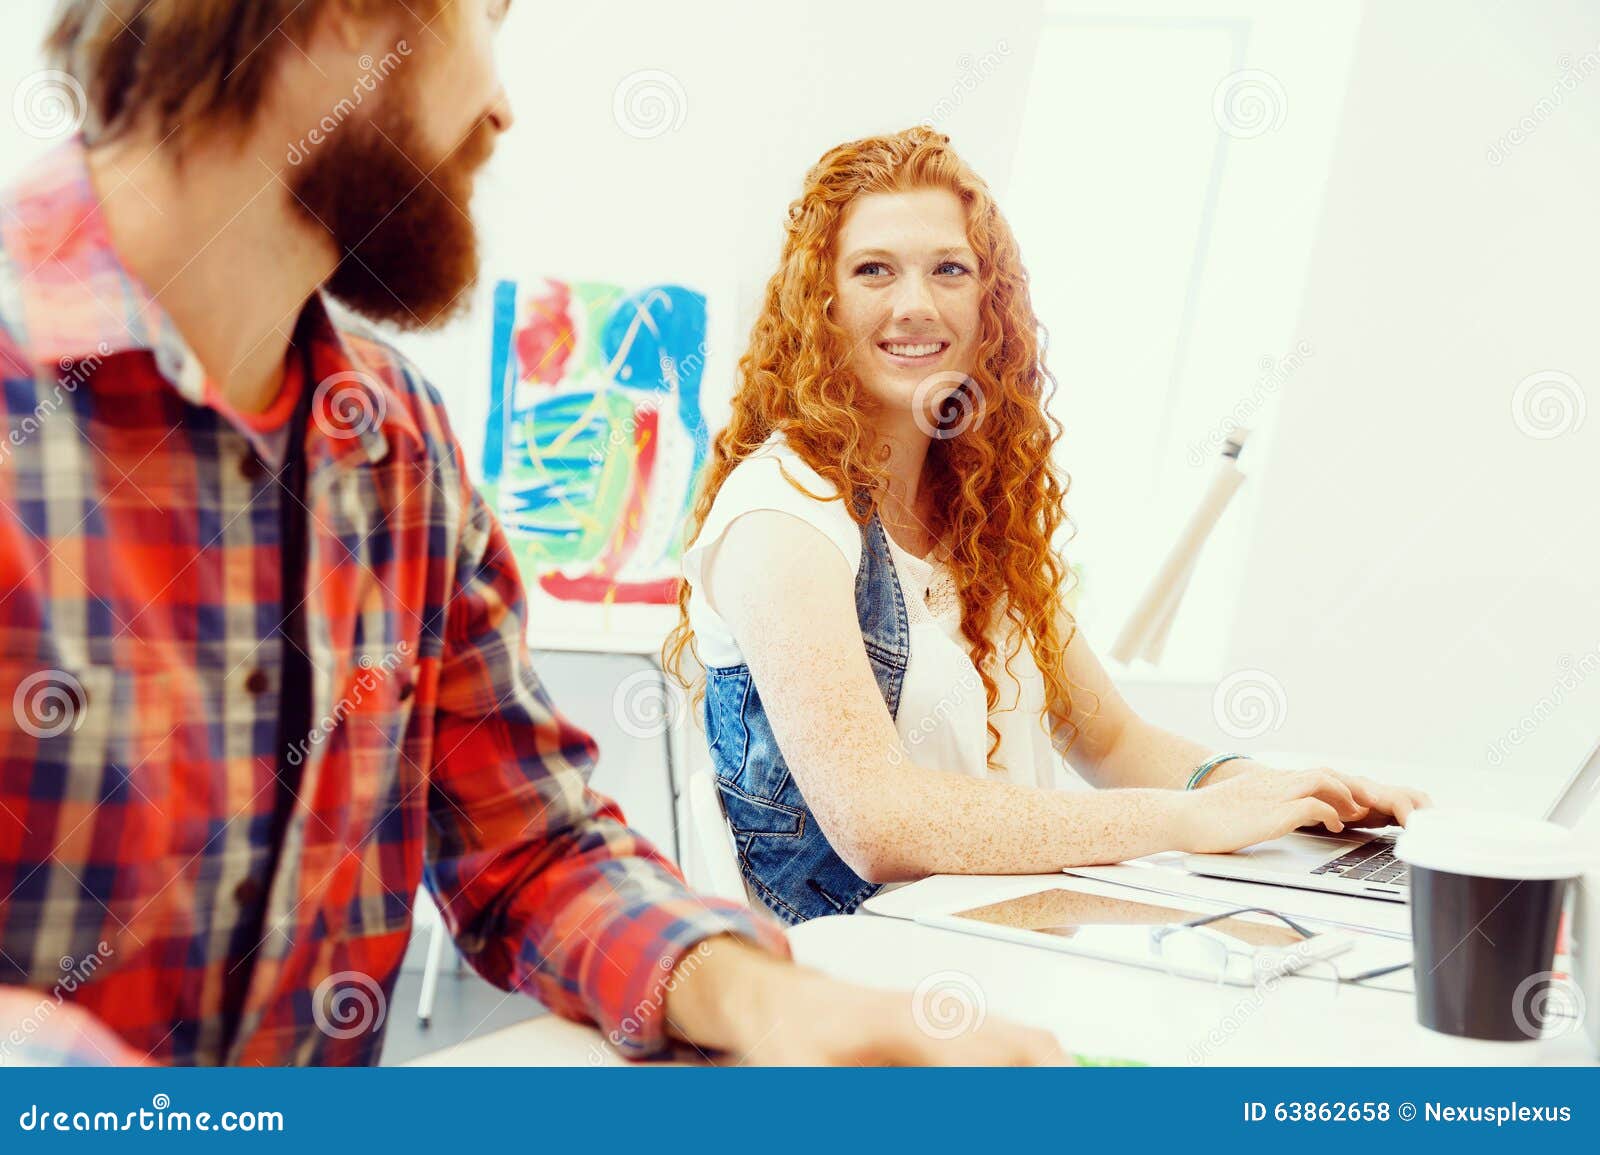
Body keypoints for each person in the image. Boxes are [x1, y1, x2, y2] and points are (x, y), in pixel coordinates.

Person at [0, 2, 1063, 1066]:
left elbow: (531, 847)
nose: (500, 109)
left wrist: (761, 1000)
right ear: (337, 23)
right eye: (488, 24)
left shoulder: (393, 444)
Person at [664, 127, 1431, 925]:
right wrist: (1184, 822)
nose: (916, 304)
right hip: (871, 978)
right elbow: (878, 823)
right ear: (818, 302)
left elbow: (1114, 742)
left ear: (989, 303)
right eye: (873, 270)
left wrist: (1282, 789)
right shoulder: (780, 514)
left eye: (949, 269)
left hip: (1018, 933)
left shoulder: (973, 509)